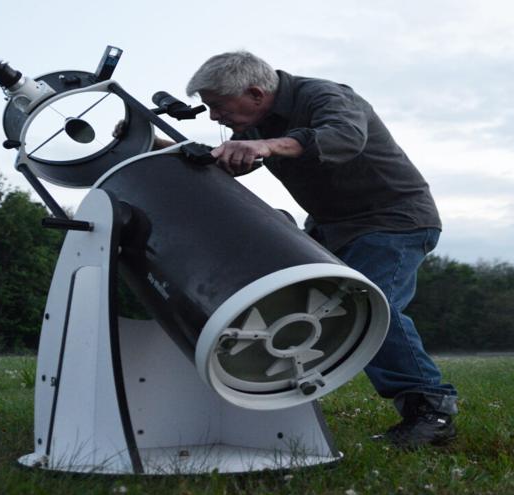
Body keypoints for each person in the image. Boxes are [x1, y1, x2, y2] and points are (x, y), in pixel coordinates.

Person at [187, 50, 458, 448]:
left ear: (256, 93)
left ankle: (432, 410)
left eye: (217, 106)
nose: (214, 117)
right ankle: (271, 396)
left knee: (371, 306)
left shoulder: (326, 96)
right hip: (331, 228)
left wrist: (268, 146)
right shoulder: (258, 124)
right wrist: (159, 143)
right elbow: (221, 163)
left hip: (394, 219)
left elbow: (344, 137)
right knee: (281, 292)